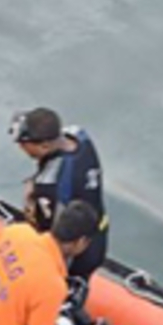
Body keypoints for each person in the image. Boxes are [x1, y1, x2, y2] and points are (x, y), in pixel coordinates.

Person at [10, 107, 109, 282]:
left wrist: (30, 204)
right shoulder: (77, 135)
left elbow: (51, 235)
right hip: (98, 227)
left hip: (77, 253)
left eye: (24, 144)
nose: (21, 148)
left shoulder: (49, 187)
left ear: (45, 145)